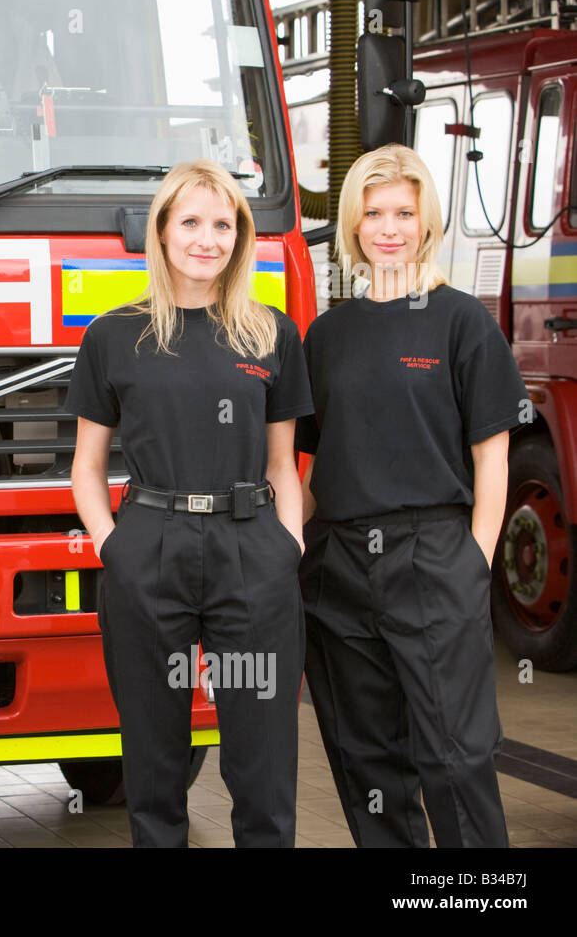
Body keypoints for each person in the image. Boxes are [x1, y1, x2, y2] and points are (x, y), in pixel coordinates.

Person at [67, 159, 313, 847]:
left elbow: (283, 466)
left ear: (239, 238)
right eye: (192, 223)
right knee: (154, 763)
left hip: (252, 553)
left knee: (262, 766)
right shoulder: (115, 336)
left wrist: (284, 547)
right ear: (164, 232)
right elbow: (86, 468)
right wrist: (115, 548)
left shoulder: (270, 334)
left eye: (224, 225)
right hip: (149, 547)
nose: (208, 239)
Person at [295, 143, 526, 847]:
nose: (388, 227)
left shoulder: (462, 323)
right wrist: (291, 552)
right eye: (372, 213)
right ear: (353, 225)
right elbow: (307, 464)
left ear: (427, 217)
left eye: (403, 210)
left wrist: (472, 565)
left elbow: (494, 462)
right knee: (365, 758)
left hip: (433, 555)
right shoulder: (327, 336)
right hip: (338, 565)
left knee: (455, 756)